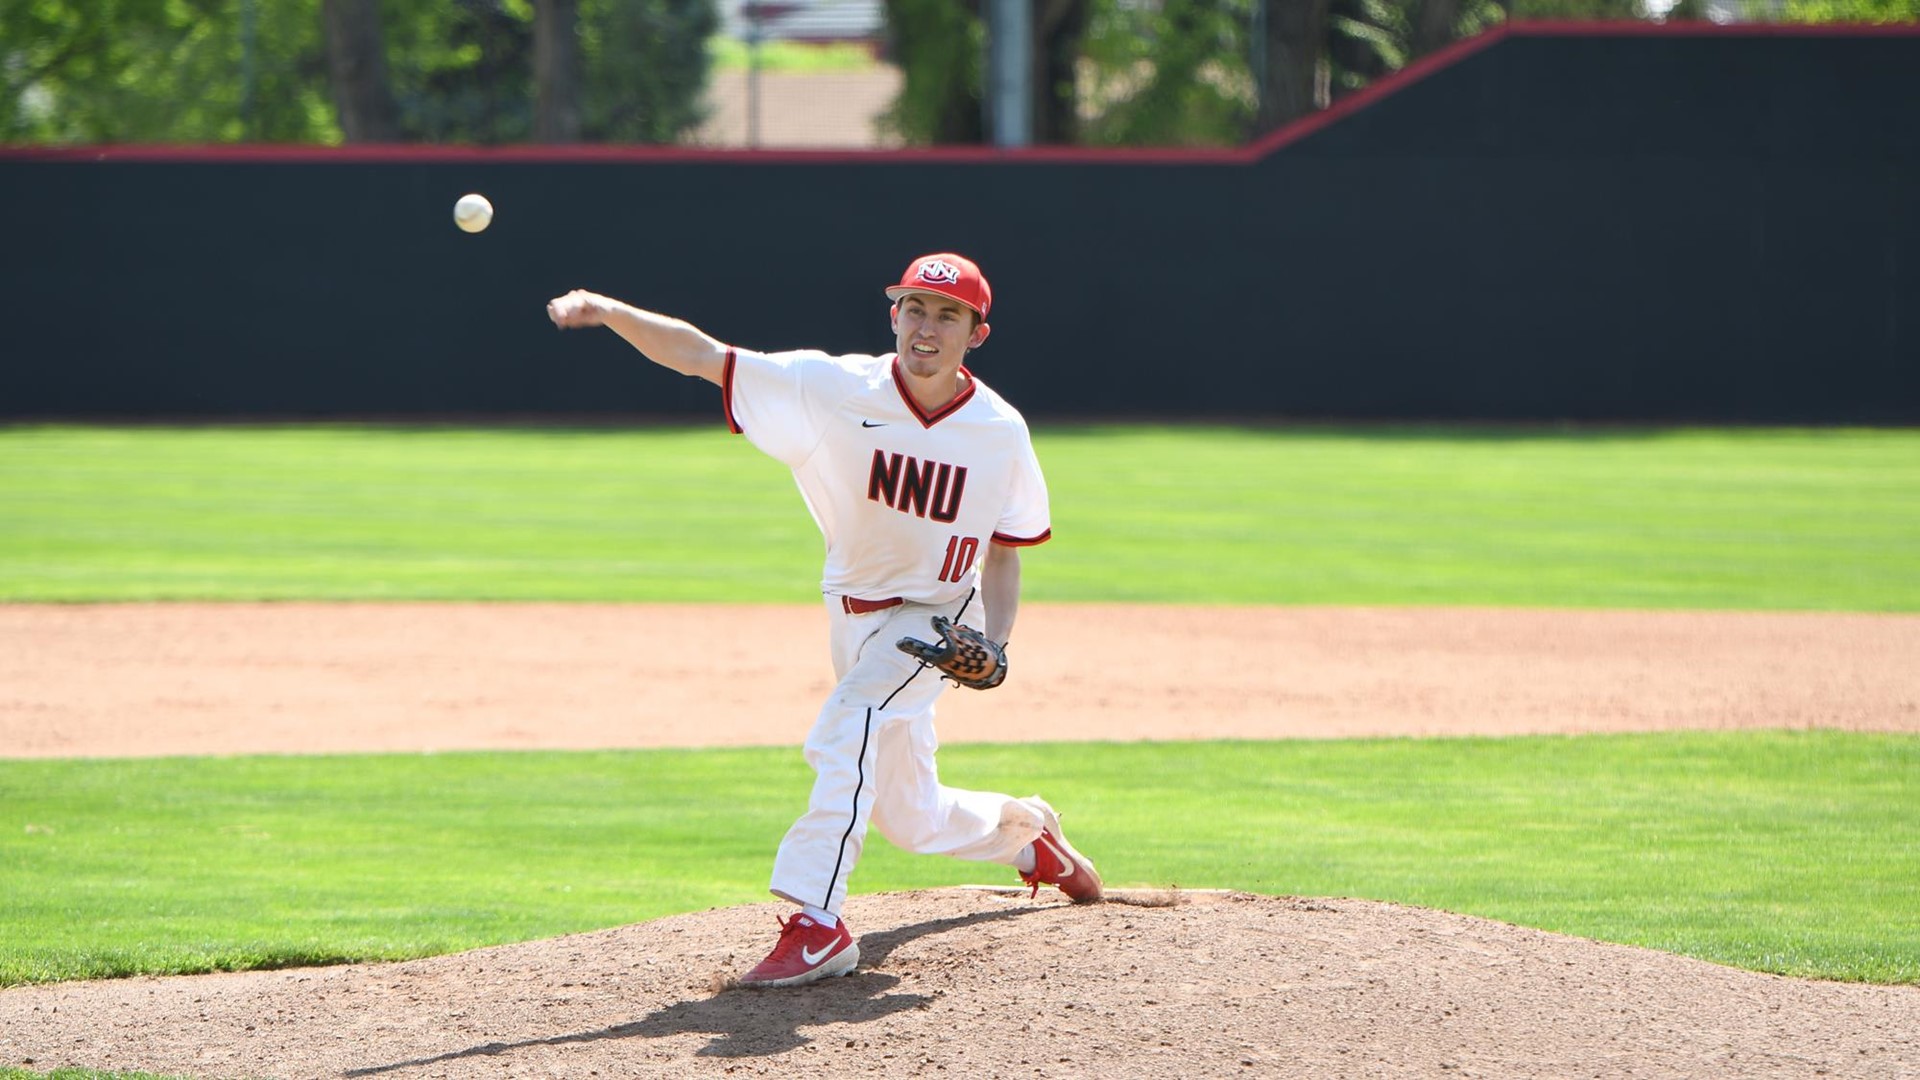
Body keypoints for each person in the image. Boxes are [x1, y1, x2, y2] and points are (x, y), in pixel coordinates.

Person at [546, 253, 1102, 989]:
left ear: (977, 334)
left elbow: (1004, 551)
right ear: (893, 315)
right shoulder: (832, 389)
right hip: (852, 617)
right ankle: (1028, 835)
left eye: (948, 315)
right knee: (912, 817)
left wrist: (995, 645)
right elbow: (704, 357)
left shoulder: (999, 430)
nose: (927, 326)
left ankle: (819, 920)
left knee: (851, 722)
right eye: (915, 308)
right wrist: (611, 312)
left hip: (937, 622)